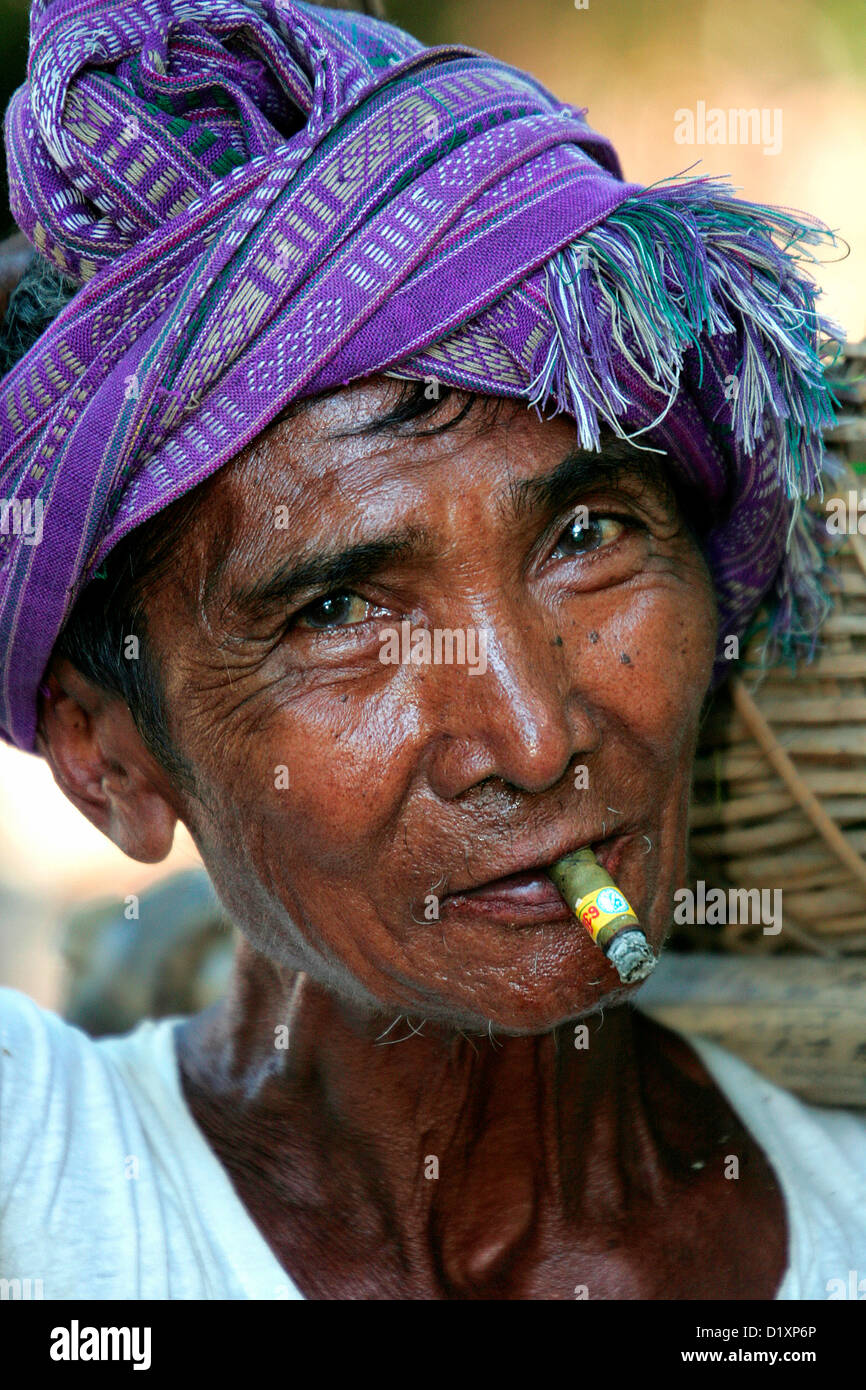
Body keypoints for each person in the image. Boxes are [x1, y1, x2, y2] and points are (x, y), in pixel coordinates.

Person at [0, 0, 864, 1301]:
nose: (533, 734)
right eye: (337, 613)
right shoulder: (40, 1194)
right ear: (106, 755)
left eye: (586, 531)